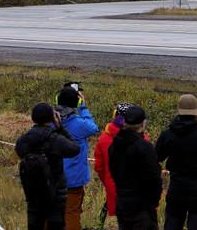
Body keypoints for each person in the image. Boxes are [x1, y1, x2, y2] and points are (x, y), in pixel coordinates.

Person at [155, 94, 197, 230]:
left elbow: (157, 157)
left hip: (177, 189)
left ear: (178, 110)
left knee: (172, 225)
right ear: (196, 112)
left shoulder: (167, 134)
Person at [15, 101, 81, 230]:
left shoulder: (24, 139)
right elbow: (75, 149)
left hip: (33, 193)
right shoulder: (54, 138)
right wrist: (61, 128)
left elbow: (20, 152)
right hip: (55, 195)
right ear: (52, 117)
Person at [109, 105, 161, 230]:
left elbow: (113, 171)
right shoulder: (144, 147)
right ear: (143, 124)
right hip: (142, 206)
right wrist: (154, 200)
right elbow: (154, 177)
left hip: (122, 201)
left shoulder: (115, 144)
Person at [54, 84, 99, 230]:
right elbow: (93, 127)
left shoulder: (51, 121)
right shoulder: (79, 124)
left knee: (52, 211)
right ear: (77, 103)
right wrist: (83, 107)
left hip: (52, 177)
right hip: (73, 179)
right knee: (72, 212)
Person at [94, 102, 136, 223]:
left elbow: (99, 167)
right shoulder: (143, 139)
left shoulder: (104, 138)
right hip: (136, 191)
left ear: (115, 115)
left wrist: (107, 181)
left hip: (113, 186)